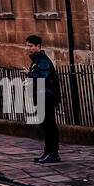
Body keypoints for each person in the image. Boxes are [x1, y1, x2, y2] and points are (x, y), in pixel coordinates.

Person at [26, 34, 62, 163]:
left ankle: (53, 153)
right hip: (41, 96)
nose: (28, 49)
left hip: (46, 97)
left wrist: (29, 74)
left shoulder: (43, 60)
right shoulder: (37, 60)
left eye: (31, 46)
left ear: (38, 46)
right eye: (27, 46)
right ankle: (48, 152)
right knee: (45, 126)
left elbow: (44, 78)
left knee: (49, 125)